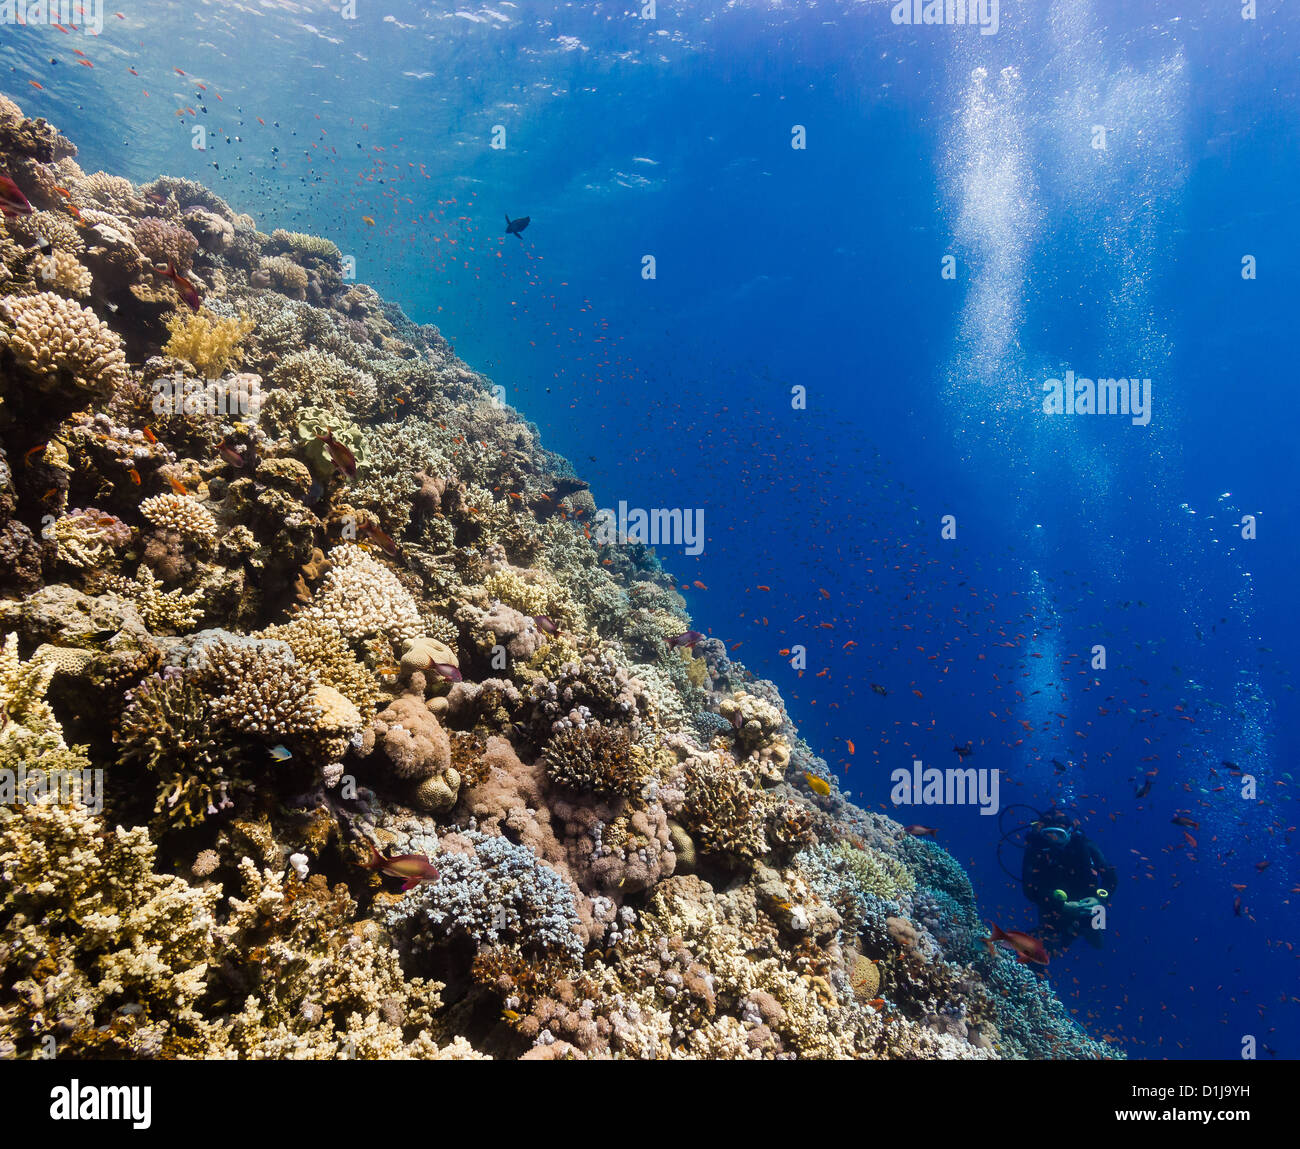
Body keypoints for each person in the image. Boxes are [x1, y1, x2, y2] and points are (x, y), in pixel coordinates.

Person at [1021, 810, 1116, 952]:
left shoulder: (1085, 846)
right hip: (1052, 904)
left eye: (1059, 835)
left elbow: (1111, 878)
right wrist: (1061, 906)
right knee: (1044, 948)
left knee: (1098, 942)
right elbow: (1029, 889)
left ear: (1070, 833)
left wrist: (1099, 899)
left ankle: (1086, 932)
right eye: (1049, 835)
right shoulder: (1036, 850)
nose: (1054, 840)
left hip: (1088, 904)